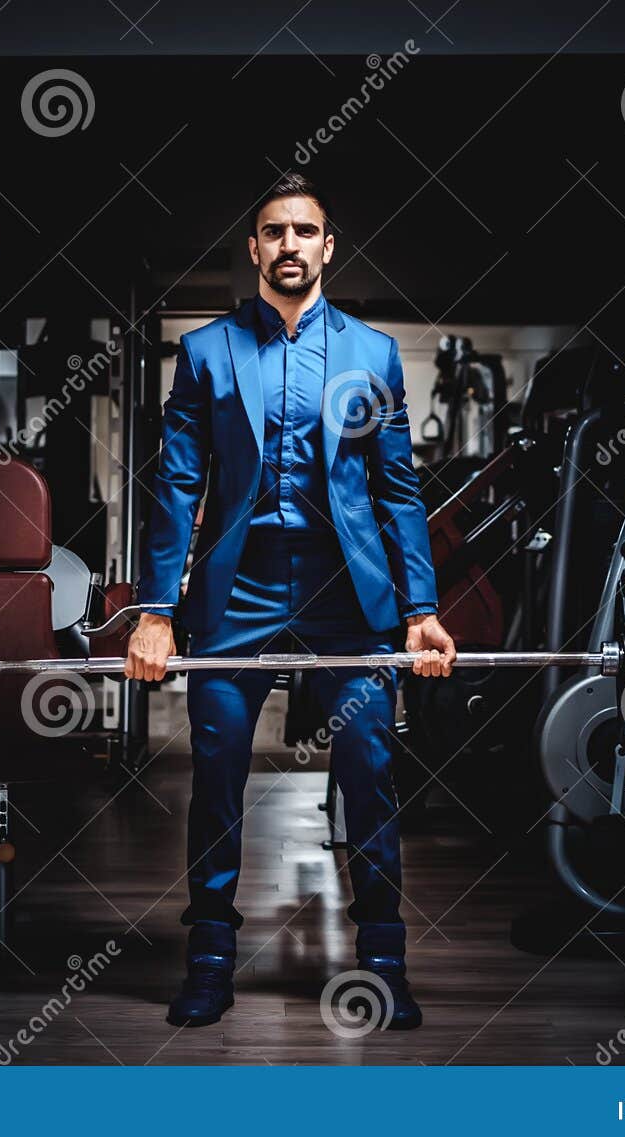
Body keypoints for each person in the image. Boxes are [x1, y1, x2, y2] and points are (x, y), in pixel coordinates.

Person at [126, 172, 455, 1030]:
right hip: (238, 587)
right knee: (218, 775)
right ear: (254, 248)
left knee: (371, 773)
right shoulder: (204, 352)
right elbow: (176, 486)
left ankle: (382, 961)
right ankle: (208, 959)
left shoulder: (372, 354)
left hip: (345, 589)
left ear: (327, 246)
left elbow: (397, 491)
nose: (290, 246)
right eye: (274, 232)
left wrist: (420, 608)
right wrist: (156, 611)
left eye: (305, 231)